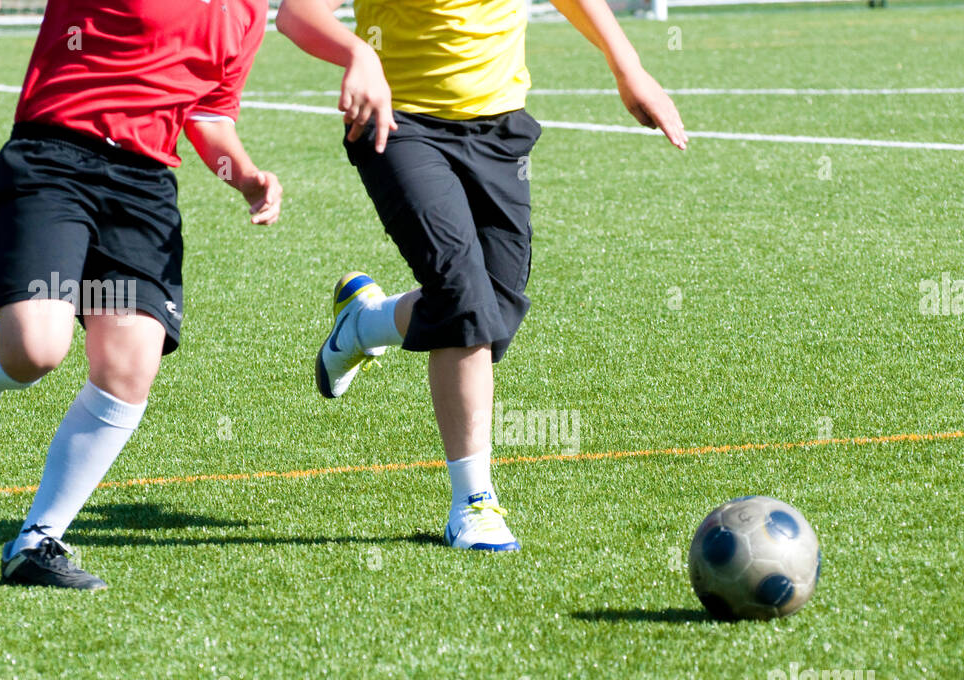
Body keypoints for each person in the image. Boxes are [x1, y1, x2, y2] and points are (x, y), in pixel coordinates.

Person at [276, 0, 686, 551]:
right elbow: (296, 12)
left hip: (500, 130)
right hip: (397, 124)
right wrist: (357, 52)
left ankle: (364, 323)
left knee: (491, 307)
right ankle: (473, 502)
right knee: (463, 299)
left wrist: (627, 66)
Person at [0, 0, 282, 589]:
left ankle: (37, 542)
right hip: (52, 161)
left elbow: (210, 115)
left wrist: (244, 175)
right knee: (36, 350)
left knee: (128, 365)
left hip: (143, 189)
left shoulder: (247, 12)